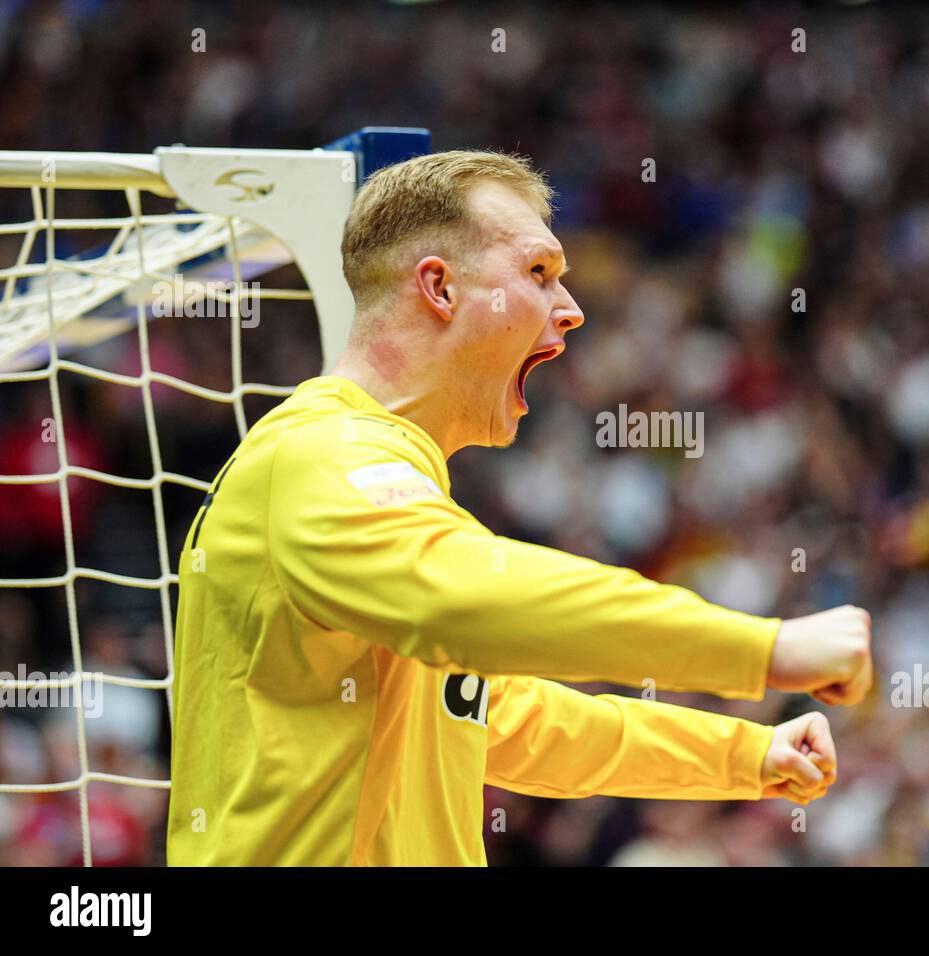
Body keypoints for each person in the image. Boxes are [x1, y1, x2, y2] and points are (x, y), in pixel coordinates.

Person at [166, 150, 874, 865]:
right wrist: (766, 650)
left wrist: (746, 753)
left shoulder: (371, 480)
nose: (571, 309)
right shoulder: (318, 456)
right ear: (439, 287)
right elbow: (469, 600)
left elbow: (512, 720)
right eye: (538, 273)